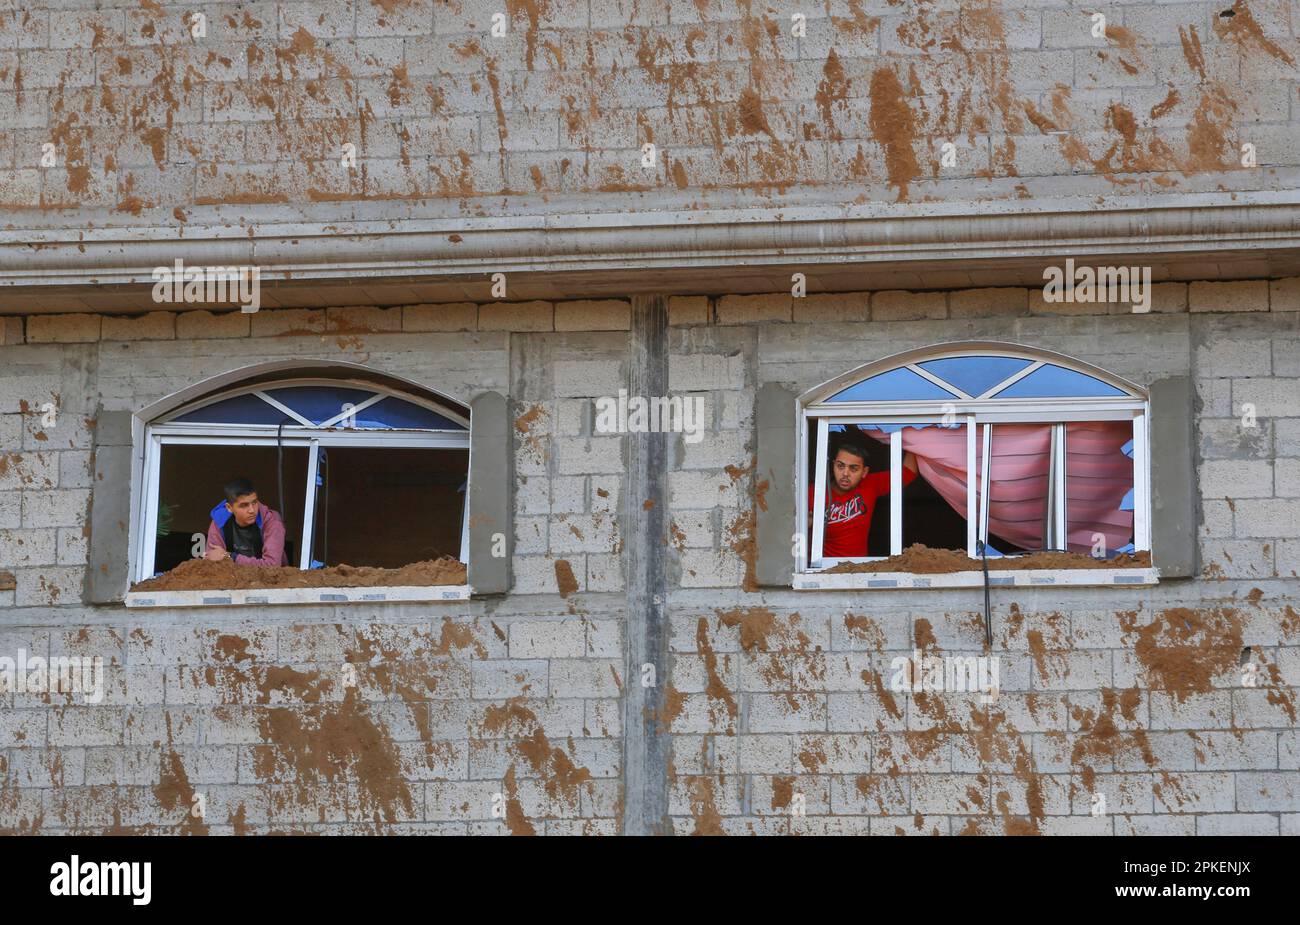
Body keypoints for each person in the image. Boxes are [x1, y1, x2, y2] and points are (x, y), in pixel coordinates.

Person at [809, 439, 919, 557]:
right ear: (833, 465)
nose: (845, 473)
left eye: (853, 468)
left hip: (857, 568)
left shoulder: (870, 484)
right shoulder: (813, 493)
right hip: (821, 569)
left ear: (864, 472)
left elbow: (908, 472)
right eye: (840, 466)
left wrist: (912, 433)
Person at [204, 477, 288, 567]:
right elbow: (212, 560)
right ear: (229, 508)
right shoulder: (220, 521)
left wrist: (230, 557)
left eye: (254, 502)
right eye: (244, 505)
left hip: (269, 580)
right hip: (231, 578)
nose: (252, 510)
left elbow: (272, 565)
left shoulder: (272, 522)